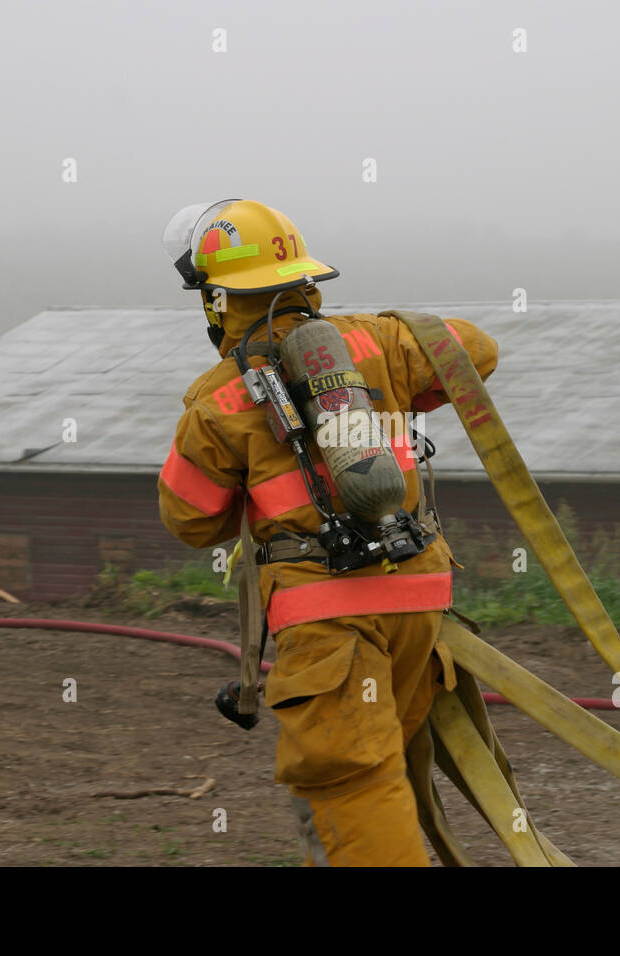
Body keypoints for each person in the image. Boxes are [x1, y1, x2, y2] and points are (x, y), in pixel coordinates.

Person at [158, 198, 498, 866]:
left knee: (353, 786)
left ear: (217, 302)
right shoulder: (379, 342)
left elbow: (190, 520)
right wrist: (385, 351)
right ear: (306, 280)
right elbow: (477, 353)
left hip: (328, 623)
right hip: (418, 604)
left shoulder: (219, 398)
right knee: (384, 765)